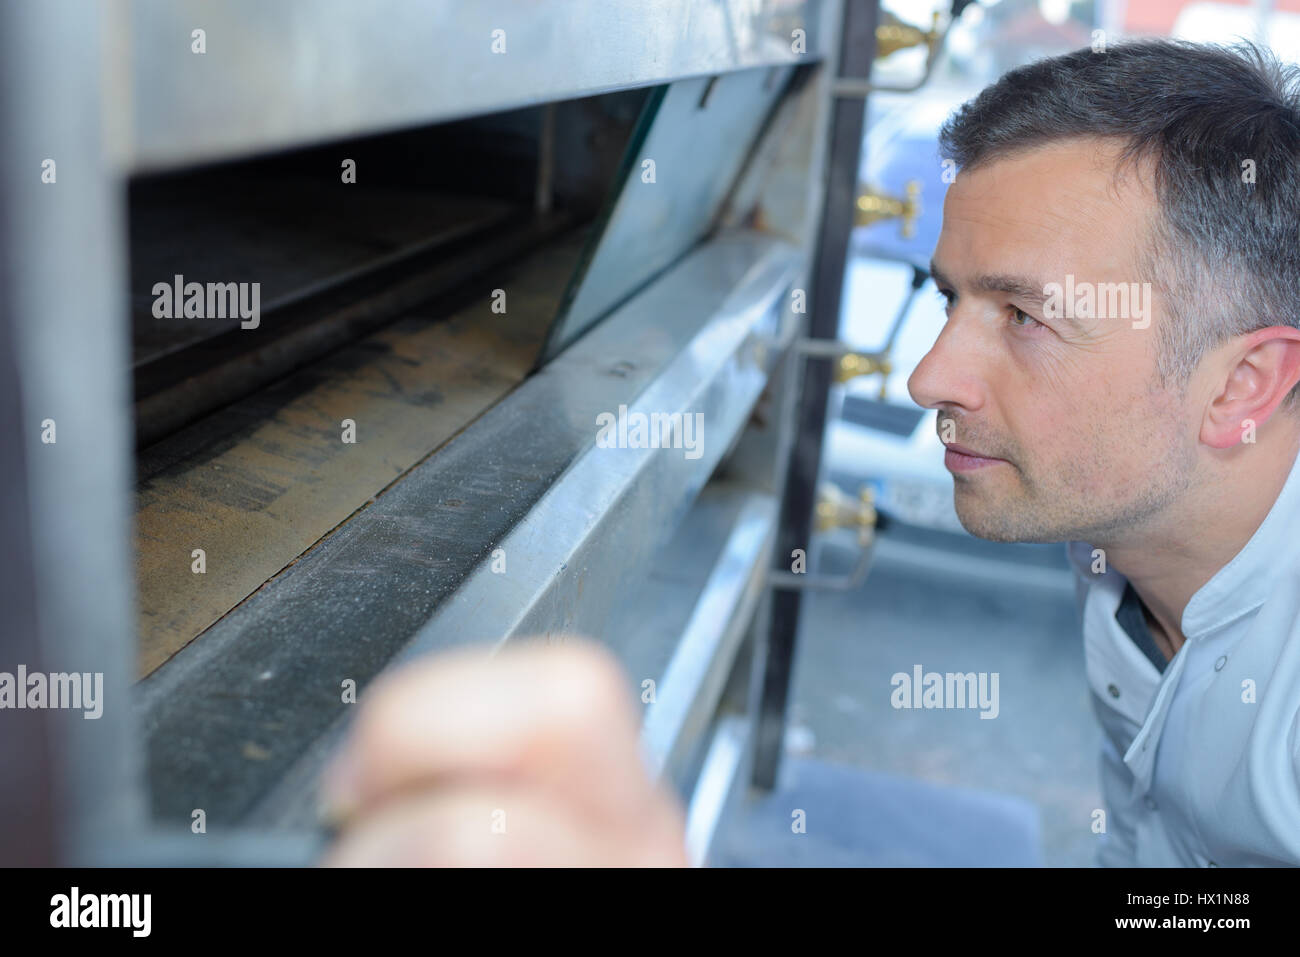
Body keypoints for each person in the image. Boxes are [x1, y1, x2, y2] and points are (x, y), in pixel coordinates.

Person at [322, 39, 1300, 867]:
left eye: (1025, 316)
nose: (927, 378)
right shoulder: (1132, 528)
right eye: (951, 298)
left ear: (1241, 388)